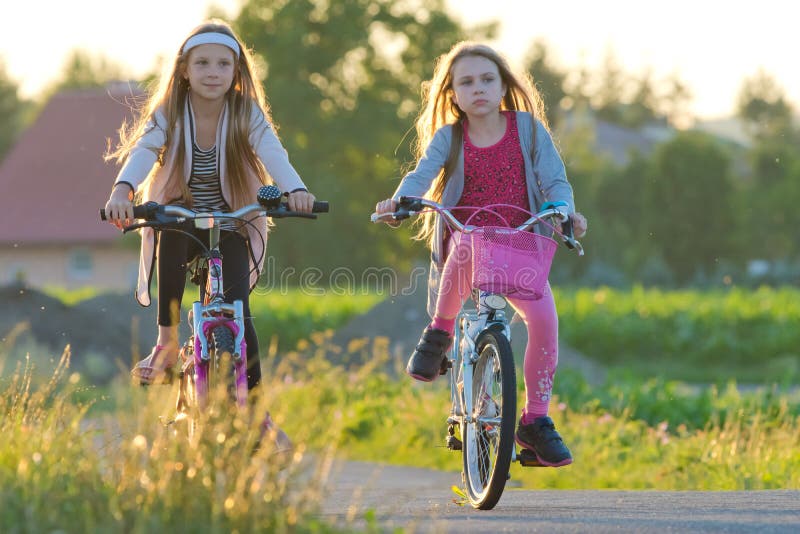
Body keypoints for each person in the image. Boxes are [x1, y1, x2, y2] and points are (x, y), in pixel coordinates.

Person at [374, 42, 587, 467]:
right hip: (467, 245)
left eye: (488, 79)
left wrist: (564, 210)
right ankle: (439, 333)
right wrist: (400, 202)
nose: (479, 89)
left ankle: (536, 421)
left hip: (518, 247)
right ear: (452, 93)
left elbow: (555, 182)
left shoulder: (527, 130)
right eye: (466, 82)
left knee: (545, 321)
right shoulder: (449, 138)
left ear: (503, 85)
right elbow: (420, 177)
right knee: (469, 238)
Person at [104, 20, 315, 406]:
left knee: (239, 311)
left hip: (233, 221)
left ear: (236, 71)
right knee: (171, 238)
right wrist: (123, 189)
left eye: (223, 64)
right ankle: (166, 344)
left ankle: (254, 410)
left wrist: (296, 190)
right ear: (184, 69)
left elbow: (272, 151)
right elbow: (145, 151)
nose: (213, 72)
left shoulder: (245, 112)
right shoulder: (170, 111)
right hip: (179, 218)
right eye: (202, 63)